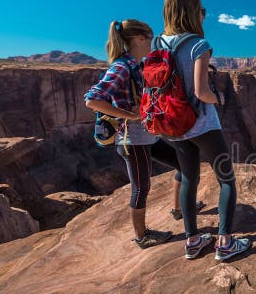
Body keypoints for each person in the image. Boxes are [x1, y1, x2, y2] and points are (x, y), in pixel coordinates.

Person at [84, 19, 202, 248]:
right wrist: (130, 115)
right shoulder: (121, 67)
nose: (155, 41)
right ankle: (142, 236)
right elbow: (92, 100)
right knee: (141, 188)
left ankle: (178, 209)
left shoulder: (140, 63)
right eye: (151, 37)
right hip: (132, 139)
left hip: (148, 134)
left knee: (182, 163)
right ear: (140, 39)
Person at [157, 0, 250, 261]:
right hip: (202, 125)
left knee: (188, 178)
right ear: (192, 12)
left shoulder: (157, 44)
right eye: (201, 10)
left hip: (173, 124)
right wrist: (220, 97)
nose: (204, 15)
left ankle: (193, 241)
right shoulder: (198, 44)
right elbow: (201, 92)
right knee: (227, 181)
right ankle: (225, 243)